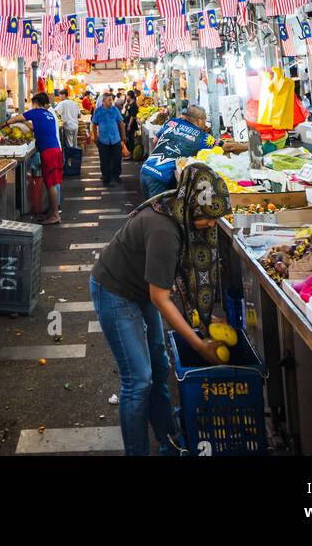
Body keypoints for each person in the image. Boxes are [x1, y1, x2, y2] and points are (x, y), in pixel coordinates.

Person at [90, 164, 232, 456]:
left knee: (160, 368)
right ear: (192, 207)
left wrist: (204, 319)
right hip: (115, 290)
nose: (211, 224)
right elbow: (160, 298)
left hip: (141, 287)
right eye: (207, 217)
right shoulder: (164, 230)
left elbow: (174, 285)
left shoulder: (179, 208)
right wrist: (198, 343)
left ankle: (170, 441)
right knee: (138, 379)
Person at [8, 91, 63, 225]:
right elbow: (36, 127)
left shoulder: (36, 112)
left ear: (35, 103)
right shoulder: (48, 114)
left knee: (51, 184)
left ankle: (55, 215)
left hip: (48, 151)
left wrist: (5, 123)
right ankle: (52, 212)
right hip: (55, 149)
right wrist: (27, 124)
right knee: (52, 183)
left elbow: (17, 118)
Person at [139, 105, 211, 200]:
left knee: (149, 208)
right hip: (161, 178)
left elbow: (155, 141)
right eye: (205, 120)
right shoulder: (203, 137)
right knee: (159, 212)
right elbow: (221, 149)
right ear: (200, 120)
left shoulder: (172, 122)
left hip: (146, 169)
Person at [91, 91, 128, 186]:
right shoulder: (98, 111)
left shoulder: (115, 110)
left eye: (111, 100)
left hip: (115, 139)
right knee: (104, 160)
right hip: (103, 140)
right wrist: (95, 137)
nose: (111, 102)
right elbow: (94, 124)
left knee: (117, 159)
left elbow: (121, 123)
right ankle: (106, 178)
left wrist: (123, 136)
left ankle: (116, 175)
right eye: (109, 100)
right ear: (103, 101)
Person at [123, 89, 140, 154]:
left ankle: (131, 153)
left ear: (130, 96)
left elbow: (133, 116)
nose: (126, 97)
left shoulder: (134, 105)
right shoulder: (129, 103)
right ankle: (129, 152)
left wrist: (129, 125)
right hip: (127, 123)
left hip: (131, 125)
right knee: (128, 139)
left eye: (127, 95)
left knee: (131, 139)